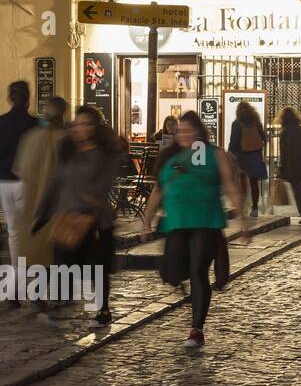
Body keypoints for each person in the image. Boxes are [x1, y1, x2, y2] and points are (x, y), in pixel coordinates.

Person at [143, 111, 246, 348]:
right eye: (181, 131)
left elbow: (230, 186)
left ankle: (196, 329)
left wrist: (243, 221)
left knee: (198, 272)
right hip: (176, 222)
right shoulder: (171, 157)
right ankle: (183, 278)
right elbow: (159, 188)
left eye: (189, 130)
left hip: (205, 222)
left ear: (200, 132)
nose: (184, 135)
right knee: (172, 274)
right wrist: (148, 216)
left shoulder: (215, 154)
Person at [42, 106, 121, 327]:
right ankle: (59, 303)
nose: (80, 129)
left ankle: (103, 309)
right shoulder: (68, 151)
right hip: (68, 217)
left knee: (98, 267)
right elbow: (56, 181)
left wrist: (91, 198)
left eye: (86, 124)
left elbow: (104, 185)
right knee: (63, 263)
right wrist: (43, 211)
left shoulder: (104, 154)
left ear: (95, 127)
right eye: (77, 124)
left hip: (95, 220)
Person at [13, 97, 67, 319]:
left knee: (34, 252)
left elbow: (21, 171)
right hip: (56, 204)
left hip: (31, 203)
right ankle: (54, 293)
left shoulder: (31, 138)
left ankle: (35, 292)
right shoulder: (65, 139)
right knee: (55, 251)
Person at [0, 81, 39, 307]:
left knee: (14, 234)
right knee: (30, 234)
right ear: (28, 99)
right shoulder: (35, 125)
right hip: (26, 183)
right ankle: (31, 289)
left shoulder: (1, 123)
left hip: (3, 183)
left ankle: (14, 291)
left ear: (9, 98)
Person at [227, 101, 268, 217]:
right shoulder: (256, 122)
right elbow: (264, 137)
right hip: (255, 156)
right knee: (254, 183)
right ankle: (254, 208)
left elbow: (233, 141)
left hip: (242, 156)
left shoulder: (236, 123)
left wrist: (229, 154)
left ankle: (243, 207)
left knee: (242, 181)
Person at [277, 107, 301, 226]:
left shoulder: (284, 132)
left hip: (292, 165)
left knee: (297, 191)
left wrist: (281, 166)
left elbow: (283, 152)